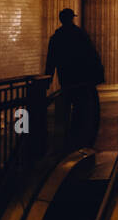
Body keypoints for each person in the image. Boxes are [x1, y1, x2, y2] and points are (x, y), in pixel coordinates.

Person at [44, 8, 105, 149]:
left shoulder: (56, 38)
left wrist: (48, 78)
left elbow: (51, 60)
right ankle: (79, 137)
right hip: (81, 77)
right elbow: (92, 55)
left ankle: (66, 137)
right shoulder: (80, 35)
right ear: (71, 18)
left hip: (65, 77)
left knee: (66, 104)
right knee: (81, 107)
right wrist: (96, 75)